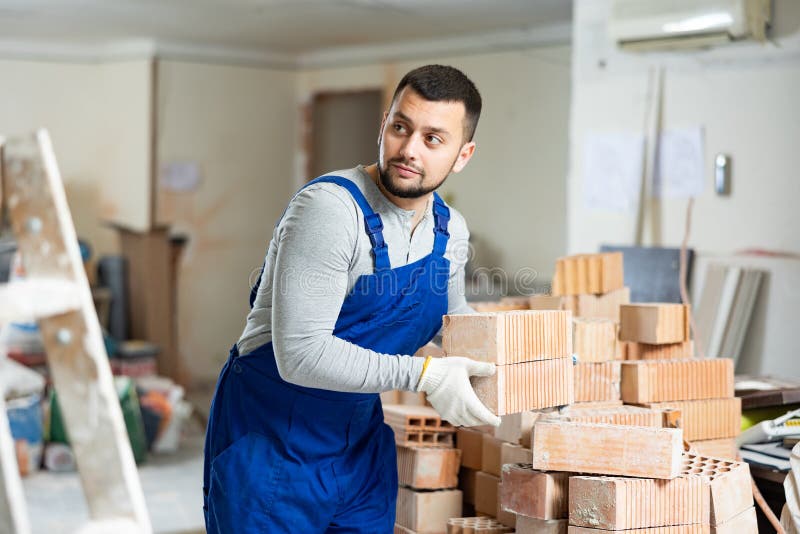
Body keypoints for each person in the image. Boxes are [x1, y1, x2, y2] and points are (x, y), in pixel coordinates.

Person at [203, 64, 500, 533]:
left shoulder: (450, 230)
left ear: (463, 155)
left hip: (357, 442)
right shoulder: (330, 211)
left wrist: (529, 361)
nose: (408, 149)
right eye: (400, 127)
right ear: (383, 123)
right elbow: (301, 355)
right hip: (273, 441)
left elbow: (454, 321)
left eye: (432, 139)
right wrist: (426, 373)